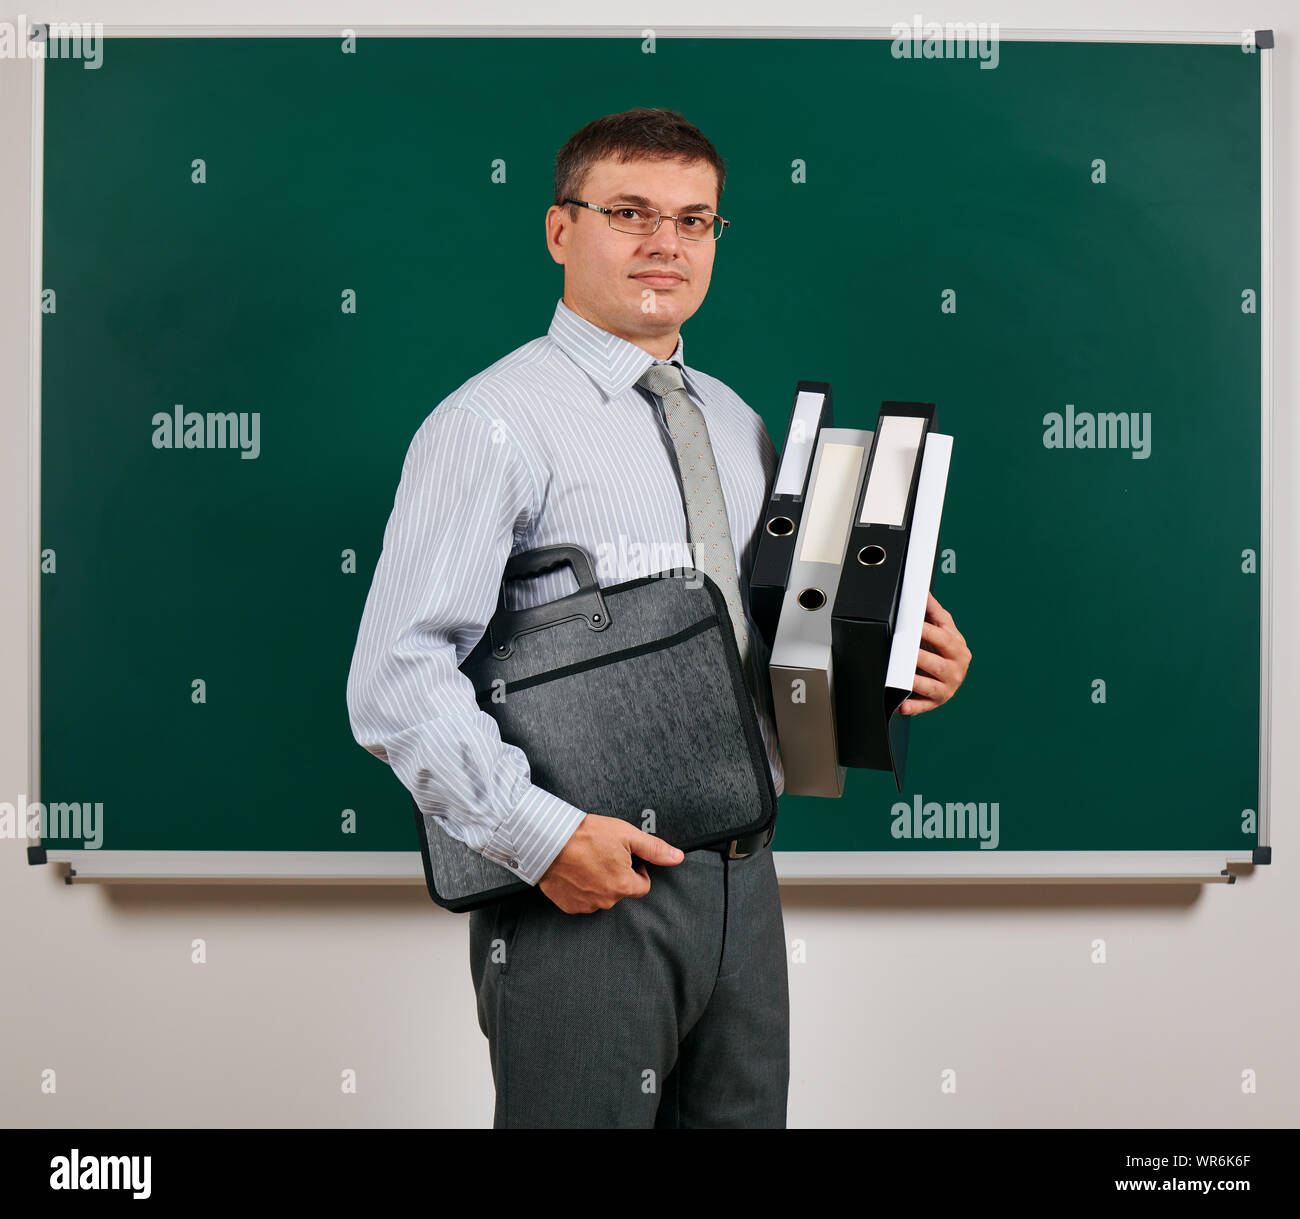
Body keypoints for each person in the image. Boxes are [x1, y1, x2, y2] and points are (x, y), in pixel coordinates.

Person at [347, 107, 971, 1128]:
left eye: (695, 221)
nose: (664, 244)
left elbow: (760, 646)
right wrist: (543, 842)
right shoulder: (489, 423)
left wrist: (892, 668)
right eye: (628, 212)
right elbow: (396, 679)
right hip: (582, 892)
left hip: (745, 879)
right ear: (560, 230)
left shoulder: (736, 422)